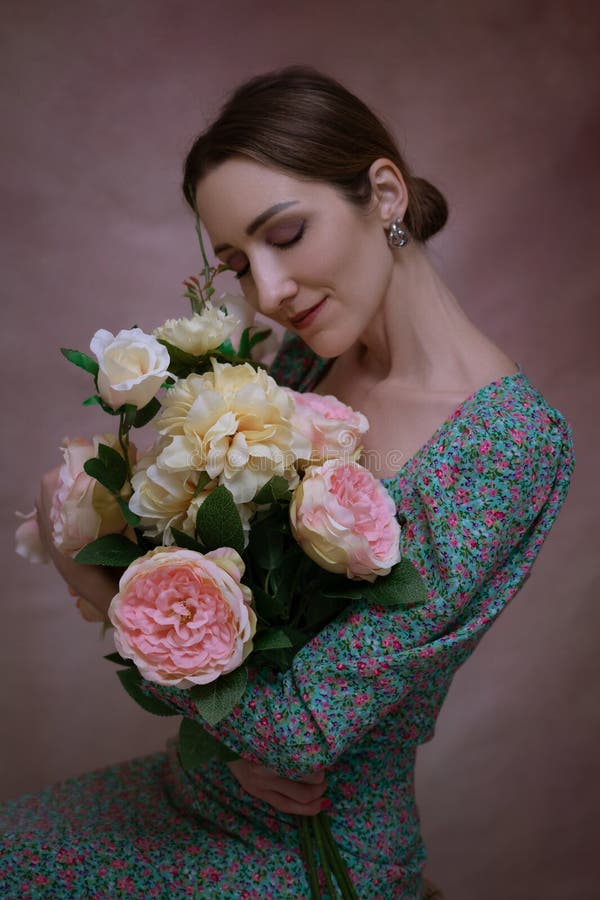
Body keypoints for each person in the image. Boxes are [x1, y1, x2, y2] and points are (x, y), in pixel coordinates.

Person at [2, 67, 573, 899]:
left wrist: (84, 567)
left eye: (289, 234)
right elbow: (231, 616)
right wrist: (232, 743)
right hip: (204, 787)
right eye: (237, 263)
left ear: (384, 193)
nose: (267, 293)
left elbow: (304, 733)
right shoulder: (307, 360)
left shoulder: (506, 444)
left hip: (307, 844)